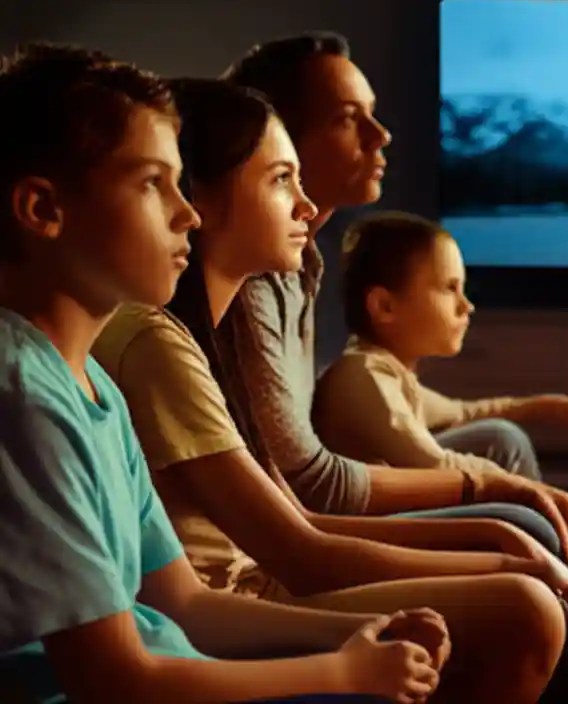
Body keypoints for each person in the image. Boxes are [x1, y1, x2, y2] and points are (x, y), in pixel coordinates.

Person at [90, 78, 568, 702]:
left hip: (258, 583)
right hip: (244, 600)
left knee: (520, 556)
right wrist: (503, 553)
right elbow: (298, 550)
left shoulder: (216, 329)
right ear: (202, 199)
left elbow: (298, 520)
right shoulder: (156, 341)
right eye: (279, 180)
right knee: (525, 602)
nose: (305, 206)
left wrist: (499, 538)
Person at [0, 42, 445, 704]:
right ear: (43, 210)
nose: (189, 214)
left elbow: (184, 600)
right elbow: (117, 679)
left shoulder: (91, 386)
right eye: (153, 184)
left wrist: (358, 630)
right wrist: (341, 672)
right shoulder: (25, 400)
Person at [218, 32, 568, 561]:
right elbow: (308, 481)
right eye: (349, 119)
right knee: (521, 518)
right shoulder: (251, 281)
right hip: (300, 526)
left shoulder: (301, 267)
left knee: (499, 441)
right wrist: (478, 486)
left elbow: (460, 414)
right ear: (276, 139)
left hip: (322, 499)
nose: (381, 135)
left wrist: (544, 415)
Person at [313, 211, 568, 480]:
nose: (466, 306)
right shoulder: (364, 376)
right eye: (450, 288)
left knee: (499, 438)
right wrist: (523, 489)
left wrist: (558, 409)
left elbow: (467, 413)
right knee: (503, 446)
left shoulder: (388, 374)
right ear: (385, 306)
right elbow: (434, 467)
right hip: (377, 531)